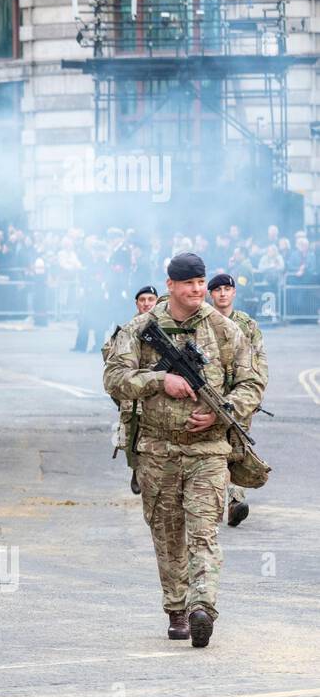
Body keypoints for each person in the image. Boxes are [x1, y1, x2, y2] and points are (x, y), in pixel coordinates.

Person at [103, 253, 264, 648]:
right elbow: (114, 378)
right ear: (170, 285)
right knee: (167, 533)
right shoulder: (141, 329)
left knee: (204, 532)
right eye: (188, 283)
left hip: (208, 451)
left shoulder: (225, 331)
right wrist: (161, 381)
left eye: (201, 282)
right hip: (157, 450)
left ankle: (202, 608)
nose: (196, 290)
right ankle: (176, 608)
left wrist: (221, 412)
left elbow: (252, 383)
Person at [208, 272, 268, 528]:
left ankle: (234, 500)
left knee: (236, 450)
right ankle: (217, 500)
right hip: (209, 397)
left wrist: (253, 395)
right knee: (213, 451)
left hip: (239, 400)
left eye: (226, 289)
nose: (222, 293)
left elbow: (259, 361)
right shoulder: (204, 322)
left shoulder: (247, 324)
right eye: (217, 289)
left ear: (234, 293)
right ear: (211, 294)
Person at [102, 285, 160, 494]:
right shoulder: (127, 329)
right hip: (133, 389)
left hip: (158, 387)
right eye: (142, 300)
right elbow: (111, 360)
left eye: (150, 299)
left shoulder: (166, 326)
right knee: (132, 432)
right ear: (136, 304)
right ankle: (136, 469)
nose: (146, 303)